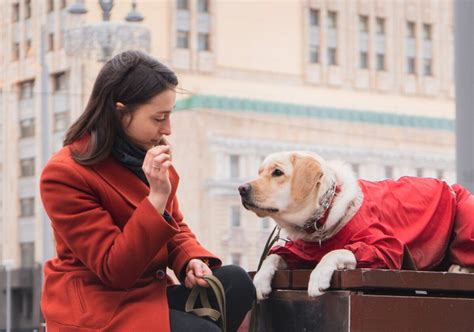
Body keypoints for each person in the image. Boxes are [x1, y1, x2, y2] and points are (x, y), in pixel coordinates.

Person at [40, 50, 255, 331]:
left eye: (169, 116)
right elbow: (114, 269)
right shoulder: (65, 173)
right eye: (158, 118)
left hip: (148, 296)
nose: (168, 128)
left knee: (237, 282)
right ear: (120, 112)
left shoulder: (149, 155)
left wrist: (189, 259)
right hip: (101, 306)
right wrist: (156, 198)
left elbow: (174, 228)